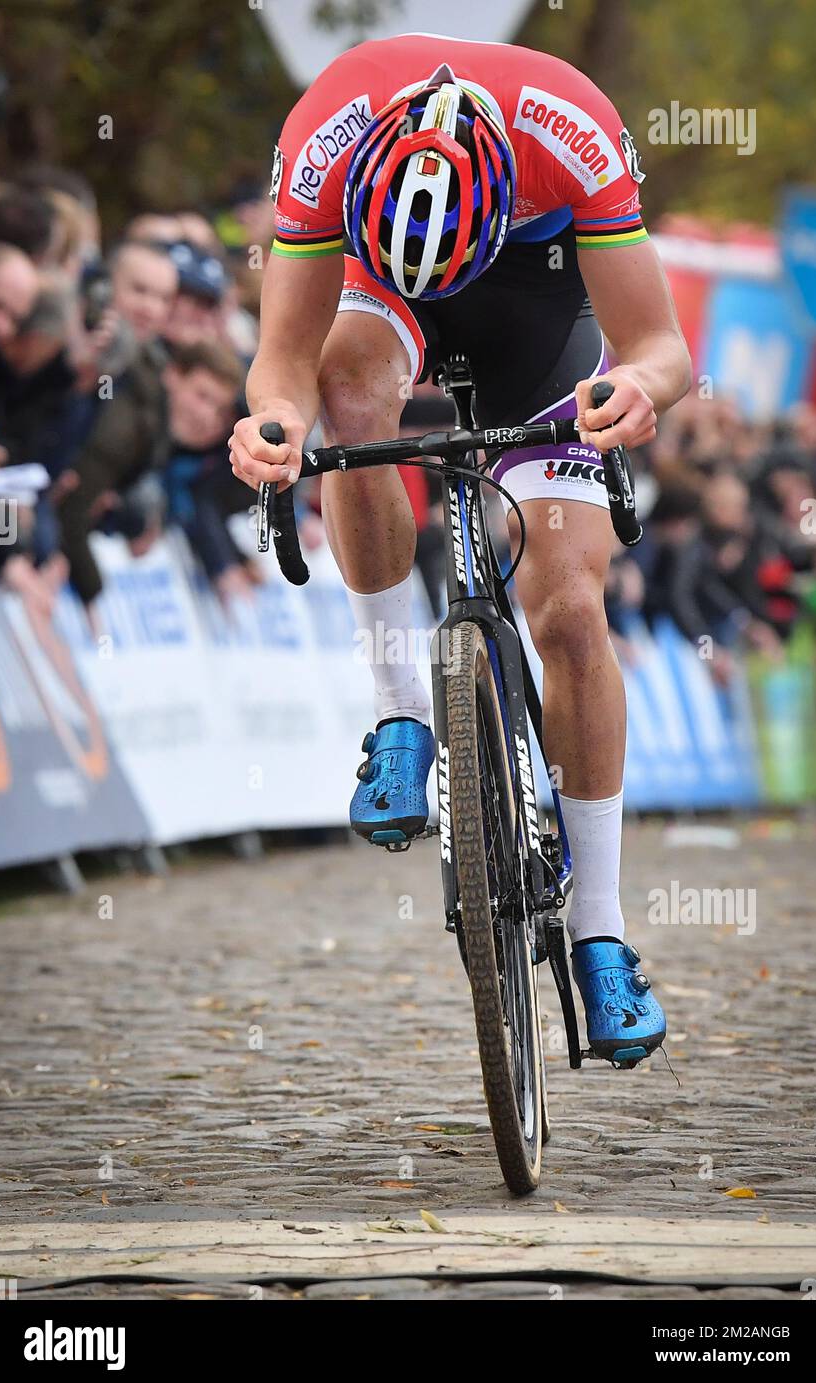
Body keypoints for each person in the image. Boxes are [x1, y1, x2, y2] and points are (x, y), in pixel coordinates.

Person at [230, 35, 692, 1067]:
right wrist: (271, 426)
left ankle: (600, 933)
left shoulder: (567, 132)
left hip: (539, 298)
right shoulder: (322, 141)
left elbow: (659, 346)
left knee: (567, 606)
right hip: (377, 288)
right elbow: (282, 365)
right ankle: (401, 715)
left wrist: (639, 392)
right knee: (349, 396)